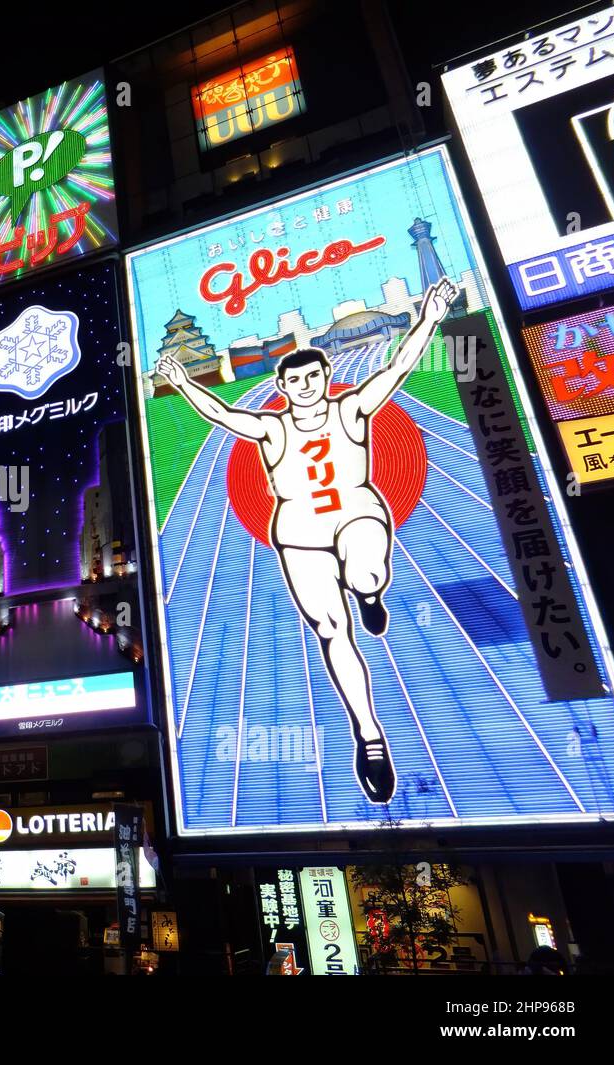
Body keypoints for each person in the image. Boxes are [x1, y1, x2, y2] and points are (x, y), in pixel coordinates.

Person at [157, 278, 458, 804]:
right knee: (330, 628)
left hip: (357, 513)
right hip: (300, 535)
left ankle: (369, 593)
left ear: (324, 378)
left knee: (367, 571)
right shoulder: (273, 429)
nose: (305, 386)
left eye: (313, 376)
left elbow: (398, 368)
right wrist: (183, 384)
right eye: (294, 381)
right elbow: (225, 416)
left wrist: (429, 316)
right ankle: (369, 735)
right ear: (285, 387)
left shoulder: (351, 409)